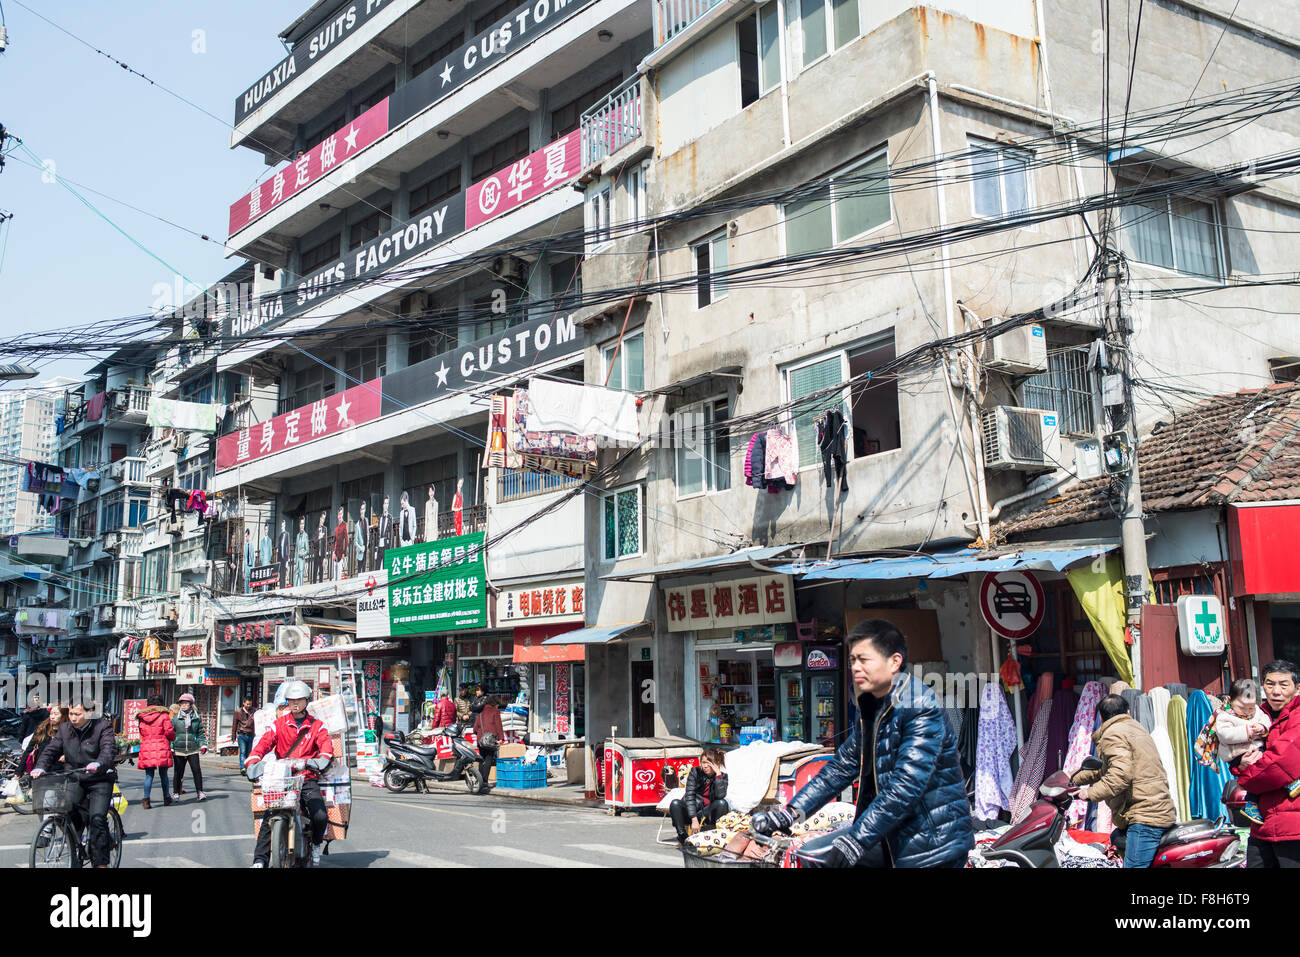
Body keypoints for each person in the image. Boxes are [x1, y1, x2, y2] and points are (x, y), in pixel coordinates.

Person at [752, 619, 974, 867]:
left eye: (864, 660)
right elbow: (840, 769)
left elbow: (906, 786)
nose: (856, 667)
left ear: (894, 662)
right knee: (812, 855)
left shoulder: (920, 705)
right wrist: (789, 814)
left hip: (931, 844)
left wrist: (856, 840)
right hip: (890, 832)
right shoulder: (872, 707)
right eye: (853, 660)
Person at [1070, 694, 1177, 868]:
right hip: (1157, 809)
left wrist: (1088, 794)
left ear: (1101, 717)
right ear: (1127, 712)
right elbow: (1105, 768)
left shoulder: (1112, 735)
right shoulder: (1136, 728)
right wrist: (1072, 778)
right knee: (1115, 839)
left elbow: (1120, 775)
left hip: (1144, 816)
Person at [245, 680, 334, 868]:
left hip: (307, 778)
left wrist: (321, 760)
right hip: (283, 779)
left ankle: (316, 845)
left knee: (319, 816)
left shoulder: (317, 725)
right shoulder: (279, 724)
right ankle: (260, 860)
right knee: (269, 817)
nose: (295, 704)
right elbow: (264, 744)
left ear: (307, 701)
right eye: (291, 700)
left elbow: (326, 745)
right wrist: (253, 760)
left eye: (299, 700)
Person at [30, 701, 117, 868]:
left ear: (90, 712)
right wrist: (40, 767)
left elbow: (108, 749)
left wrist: (99, 764)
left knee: (97, 819)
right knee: (69, 817)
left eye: (78, 714)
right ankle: (75, 854)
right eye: (71, 714)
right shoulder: (65, 729)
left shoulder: (102, 726)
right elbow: (51, 749)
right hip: (74, 778)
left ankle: (101, 863)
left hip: (99, 780)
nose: (73, 718)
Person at [1237, 660, 1300, 867]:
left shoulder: (1297, 717)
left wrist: (1244, 775)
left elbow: (1278, 765)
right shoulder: (1256, 716)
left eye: (1284, 684)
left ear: (1297, 688)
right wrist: (1239, 764)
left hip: (1293, 827)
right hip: (1262, 824)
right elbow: (1237, 750)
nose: (1276, 691)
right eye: (1270, 684)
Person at [1213, 678, 1272, 825]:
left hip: (1257, 749)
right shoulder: (1225, 716)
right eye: (1242, 707)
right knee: (1253, 778)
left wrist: (1262, 727)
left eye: (1250, 708)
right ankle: (1251, 803)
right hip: (1237, 755)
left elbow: (1266, 721)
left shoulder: (1257, 712)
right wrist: (1247, 731)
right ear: (1231, 701)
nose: (1247, 712)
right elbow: (1225, 735)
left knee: (1269, 768)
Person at [670, 747, 729, 845]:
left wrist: (718, 774)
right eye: (703, 762)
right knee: (675, 803)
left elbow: (720, 796)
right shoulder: (695, 772)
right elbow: (690, 796)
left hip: (707, 813)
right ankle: (682, 836)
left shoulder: (722, 777)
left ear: (716, 763)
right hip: (692, 811)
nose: (705, 766)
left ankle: (717, 836)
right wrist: (694, 819)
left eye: (708, 763)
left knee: (722, 803)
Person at [136, 693, 175, 809]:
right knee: (164, 774)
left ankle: (146, 800)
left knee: (149, 775)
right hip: (162, 746)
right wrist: (172, 737)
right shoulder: (164, 715)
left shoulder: (142, 716)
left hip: (147, 746)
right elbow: (169, 732)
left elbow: (142, 731)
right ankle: (166, 797)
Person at [172, 693, 207, 801]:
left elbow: (200, 733)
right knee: (178, 772)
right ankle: (176, 792)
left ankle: (200, 792)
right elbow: (171, 733)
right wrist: (171, 746)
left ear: (191, 705)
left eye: (186, 703)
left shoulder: (196, 717)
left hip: (193, 748)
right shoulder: (175, 718)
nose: (183, 705)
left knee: (196, 771)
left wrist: (203, 744)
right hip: (178, 749)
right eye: (181, 703)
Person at [20, 706, 68, 773]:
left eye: (56, 714)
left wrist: (68, 756)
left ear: (63, 715)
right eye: (51, 713)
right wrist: (19, 770)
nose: (52, 717)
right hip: (40, 769)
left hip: (60, 772)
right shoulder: (42, 729)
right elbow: (29, 749)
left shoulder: (68, 730)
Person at [471, 686, 502, 788]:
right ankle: (484, 781)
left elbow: (474, 729)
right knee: (488, 759)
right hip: (491, 740)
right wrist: (501, 738)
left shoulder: (481, 713)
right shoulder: (495, 712)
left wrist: (480, 735)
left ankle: (479, 781)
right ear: (495, 704)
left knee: (481, 760)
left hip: (481, 740)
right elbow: (498, 726)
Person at [232, 698, 257, 775]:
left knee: (249, 752)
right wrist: (233, 736)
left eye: (250, 704)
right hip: (242, 734)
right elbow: (234, 724)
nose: (248, 706)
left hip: (251, 734)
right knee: (243, 752)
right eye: (247, 704)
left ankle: (248, 767)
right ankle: (242, 768)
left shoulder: (254, 711)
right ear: (243, 703)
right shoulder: (238, 712)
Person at [376, 495, 393, 570]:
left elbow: (391, 533)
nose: (386, 505)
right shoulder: (380, 518)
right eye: (385, 503)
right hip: (379, 544)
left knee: (385, 566)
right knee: (377, 566)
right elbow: (378, 533)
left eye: (387, 504)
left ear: (388, 505)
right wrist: (376, 548)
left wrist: (390, 547)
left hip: (386, 544)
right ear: (383, 505)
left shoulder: (390, 517)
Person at [333, 506, 348, 581]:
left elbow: (346, 539)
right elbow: (334, 541)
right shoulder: (336, 528)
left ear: (342, 514)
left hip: (341, 552)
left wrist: (344, 553)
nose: (340, 516)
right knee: (335, 573)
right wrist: (333, 552)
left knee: (339, 571)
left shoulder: (344, 525)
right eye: (339, 514)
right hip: (336, 553)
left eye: (341, 514)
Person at [354, 502, 368, 575]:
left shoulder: (367, 520)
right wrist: (360, 548)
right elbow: (355, 542)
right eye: (361, 509)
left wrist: (366, 545)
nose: (362, 511)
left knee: (364, 569)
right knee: (359, 570)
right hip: (360, 550)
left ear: (365, 510)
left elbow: (368, 534)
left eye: (364, 509)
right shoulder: (357, 525)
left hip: (365, 548)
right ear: (360, 510)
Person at [295, 517, 309, 587]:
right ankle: (293, 590)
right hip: (297, 559)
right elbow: (296, 548)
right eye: (301, 524)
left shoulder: (305, 535)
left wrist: (302, 554)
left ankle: (301, 589)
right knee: (295, 574)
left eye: (303, 524)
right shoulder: (297, 536)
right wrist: (295, 561)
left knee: (301, 574)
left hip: (302, 559)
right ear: (299, 525)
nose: (302, 525)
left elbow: (307, 550)